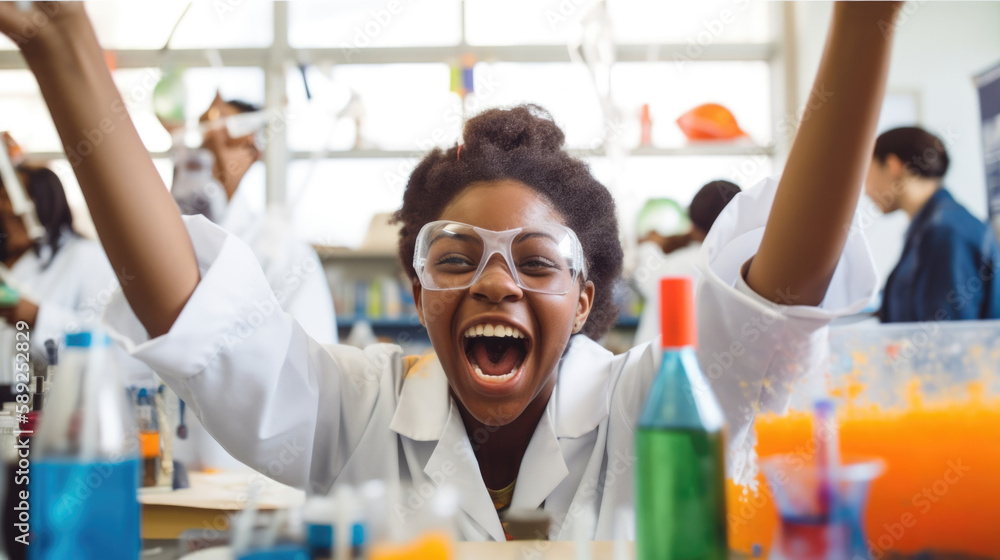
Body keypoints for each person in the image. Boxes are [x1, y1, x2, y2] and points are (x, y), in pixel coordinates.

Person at [0, 1, 899, 541]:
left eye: (538, 263)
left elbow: (776, 302)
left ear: (586, 300)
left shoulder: (650, 406)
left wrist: (865, 18)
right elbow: (198, 313)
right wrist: (58, 39)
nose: (495, 284)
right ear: (417, 290)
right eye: (454, 257)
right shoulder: (357, 406)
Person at [172, 92, 339, 345]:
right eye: (201, 144)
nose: (205, 158)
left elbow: (316, 365)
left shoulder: (286, 256)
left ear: (251, 152)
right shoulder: (150, 237)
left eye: (225, 143)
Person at [0, 136, 119, 379]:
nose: (4, 209)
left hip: (45, 403)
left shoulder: (86, 257)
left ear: (47, 203)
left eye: (12, 200)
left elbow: (105, 340)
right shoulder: (10, 261)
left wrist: (37, 317)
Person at [866, 126, 1000, 322]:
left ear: (893, 165)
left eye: (867, 174)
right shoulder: (932, 227)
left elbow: (948, 341)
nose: (865, 190)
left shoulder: (946, 233)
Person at [634, 180, 741, 344]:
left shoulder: (680, 263)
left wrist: (648, 244)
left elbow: (646, 274)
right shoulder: (734, 266)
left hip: (657, 363)